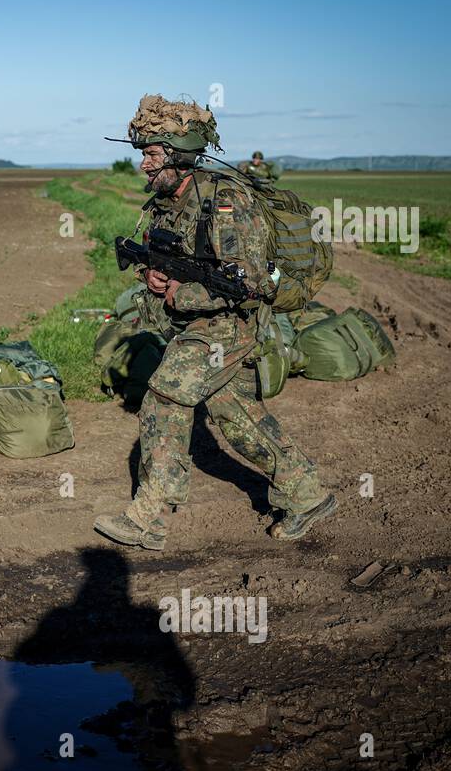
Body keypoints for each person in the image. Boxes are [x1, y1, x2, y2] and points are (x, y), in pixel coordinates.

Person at [94, 95, 336, 550]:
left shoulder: (225, 201)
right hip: (203, 324)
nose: (143, 166)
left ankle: (150, 517)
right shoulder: (167, 201)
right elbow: (169, 260)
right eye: (142, 154)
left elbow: (251, 282)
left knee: (166, 396)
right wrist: (152, 275)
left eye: (150, 154)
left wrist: (179, 293)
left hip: (230, 325)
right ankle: (307, 494)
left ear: (179, 153)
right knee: (236, 416)